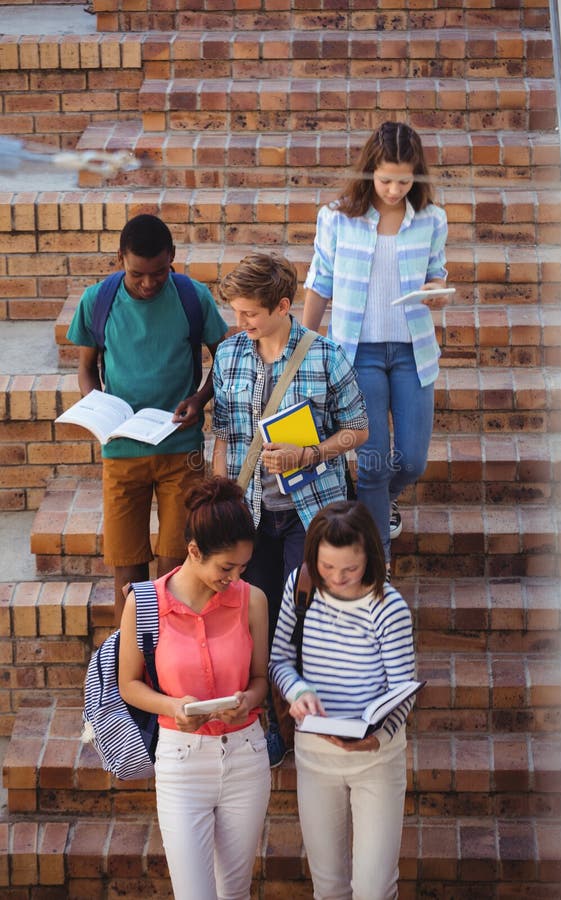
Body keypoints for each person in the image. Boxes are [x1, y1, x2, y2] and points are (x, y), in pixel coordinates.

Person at [211, 250, 369, 766]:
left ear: (282, 306)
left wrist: (312, 452)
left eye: (250, 313)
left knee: (302, 621)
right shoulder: (230, 354)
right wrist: (219, 504)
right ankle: (271, 728)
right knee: (253, 623)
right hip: (249, 516)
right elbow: (224, 436)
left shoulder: (327, 356)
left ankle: (309, 722)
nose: (241, 323)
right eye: (236, 312)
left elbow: (359, 429)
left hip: (310, 514)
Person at [302, 120, 449, 569]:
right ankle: (378, 563)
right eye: (386, 179)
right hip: (358, 354)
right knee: (372, 463)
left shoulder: (431, 219)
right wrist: (303, 343)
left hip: (411, 352)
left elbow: (437, 274)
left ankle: (383, 501)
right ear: (370, 172)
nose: (393, 188)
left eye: (404, 180)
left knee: (411, 461)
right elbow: (320, 282)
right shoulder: (337, 217)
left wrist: (437, 290)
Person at [66, 214, 228, 621]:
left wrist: (200, 398)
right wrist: (96, 404)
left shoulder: (192, 297)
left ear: (172, 257)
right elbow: (86, 368)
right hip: (121, 450)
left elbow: (224, 357)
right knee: (128, 567)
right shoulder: (98, 301)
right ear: (120, 258)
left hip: (179, 449)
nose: (149, 282)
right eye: (137, 273)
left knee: (176, 564)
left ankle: (169, 662)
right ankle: (130, 664)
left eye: (159, 272)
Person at [118, 476, 271, 900]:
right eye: (226, 567)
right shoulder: (145, 602)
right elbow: (128, 684)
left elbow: (260, 680)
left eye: (242, 566)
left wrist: (247, 701)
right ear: (193, 551)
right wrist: (174, 705)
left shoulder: (253, 600)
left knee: (234, 893)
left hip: (246, 756)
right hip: (181, 763)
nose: (235, 577)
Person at [269, 500, 416, 900]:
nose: (337, 578)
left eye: (349, 569)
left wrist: (378, 735)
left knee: (374, 888)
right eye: (327, 568)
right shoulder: (299, 588)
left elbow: (403, 691)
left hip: (377, 761)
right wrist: (298, 691)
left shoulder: (390, 608)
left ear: (370, 555)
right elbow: (279, 660)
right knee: (329, 887)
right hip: (316, 758)